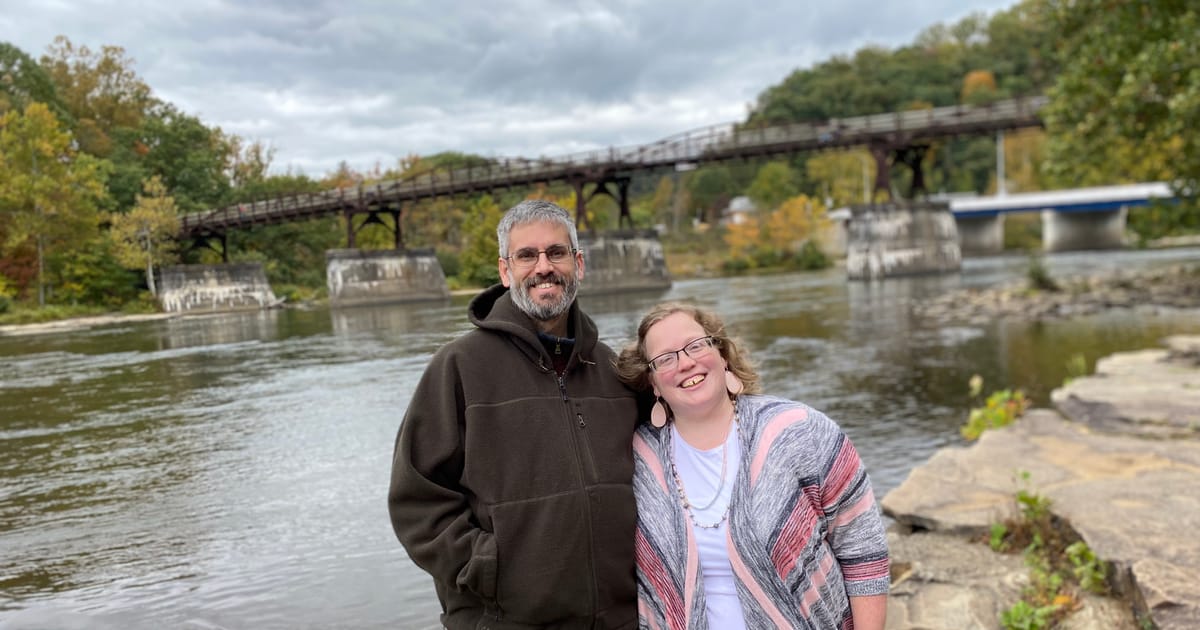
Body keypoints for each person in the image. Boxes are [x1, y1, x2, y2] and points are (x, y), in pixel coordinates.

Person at [388, 200, 640, 630]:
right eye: (527, 255)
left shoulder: (612, 370)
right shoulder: (459, 367)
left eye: (556, 253)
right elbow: (417, 500)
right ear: (506, 272)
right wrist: (486, 567)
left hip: (621, 620)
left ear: (578, 264)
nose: (544, 267)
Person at [615, 302, 889, 629]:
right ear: (653, 383)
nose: (685, 363)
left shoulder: (801, 431)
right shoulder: (636, 458)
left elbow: (864, 550)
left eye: (696, 346)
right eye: (665, 358)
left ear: (723, 355)